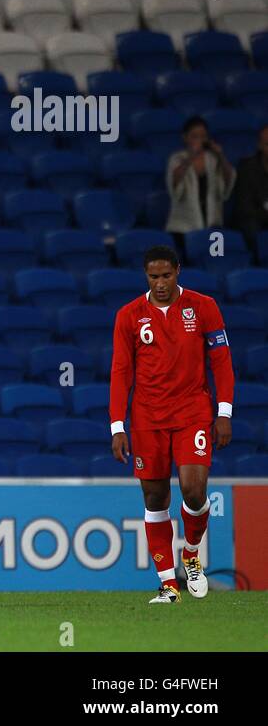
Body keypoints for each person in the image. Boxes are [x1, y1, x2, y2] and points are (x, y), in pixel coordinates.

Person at [108, 245, 234, 604]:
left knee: (194, 490)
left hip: (193, 410)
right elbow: (120, 372)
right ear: (145, 276)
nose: (160, 283)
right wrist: (117, 426)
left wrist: (223, 412)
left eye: (166, 275)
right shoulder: (129, 315)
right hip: (147, 417)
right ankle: (168, 586)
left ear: (178, 271)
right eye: (153, 277)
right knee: (154, 497)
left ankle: (191, 555)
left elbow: (222, 362)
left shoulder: (203, 307)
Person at [165, 116, 237, 244]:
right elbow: (174, 187)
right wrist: (190, 158)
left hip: (213, 227)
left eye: (203, 136)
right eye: (195, 136)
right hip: (183, 228)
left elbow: (228, 181)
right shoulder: (177, 158)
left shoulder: (213, 159)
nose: (200, 140)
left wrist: (221, 155)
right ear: (185, 137)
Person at [230, 125, 268, 258]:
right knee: (251, 225)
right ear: (260, 146)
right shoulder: (247, 168)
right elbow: (244, 207)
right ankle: (256, 265)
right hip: (254, 219)